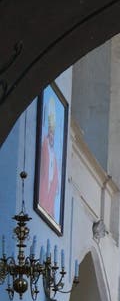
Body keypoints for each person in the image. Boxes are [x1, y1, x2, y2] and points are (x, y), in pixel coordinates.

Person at [38, 94, 61, 222]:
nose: (52, 136)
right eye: (51, 133)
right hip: (45, 181)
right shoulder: (45, 144)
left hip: (51, 185)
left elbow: (55, 169)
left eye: (53, 133)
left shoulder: (53, 151)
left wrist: (56, 183)